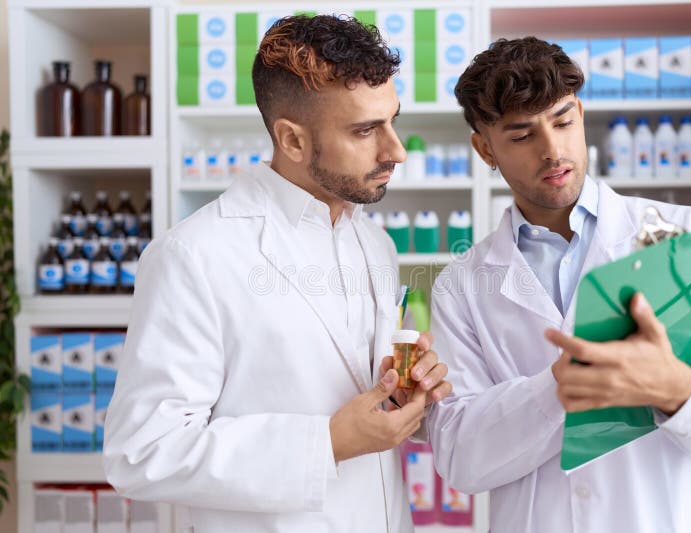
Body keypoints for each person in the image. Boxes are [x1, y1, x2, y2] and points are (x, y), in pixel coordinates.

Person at [427, 36, 691, 533]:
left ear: (580, 113)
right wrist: (555, 388)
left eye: (562, 121)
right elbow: (461, 458)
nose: (552, 150)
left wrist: (678, 390)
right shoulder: (462, 286)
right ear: (484, 147)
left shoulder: (687, 235)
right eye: (522, 135)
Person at [103, 15, 451, 533]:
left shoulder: (373, 242)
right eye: (364, 131)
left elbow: (354, 396)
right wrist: (328, 442)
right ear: (291, 140)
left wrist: (402, 390)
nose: (395, 150)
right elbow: (142, 452)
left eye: (392, 121)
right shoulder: (193, 255)